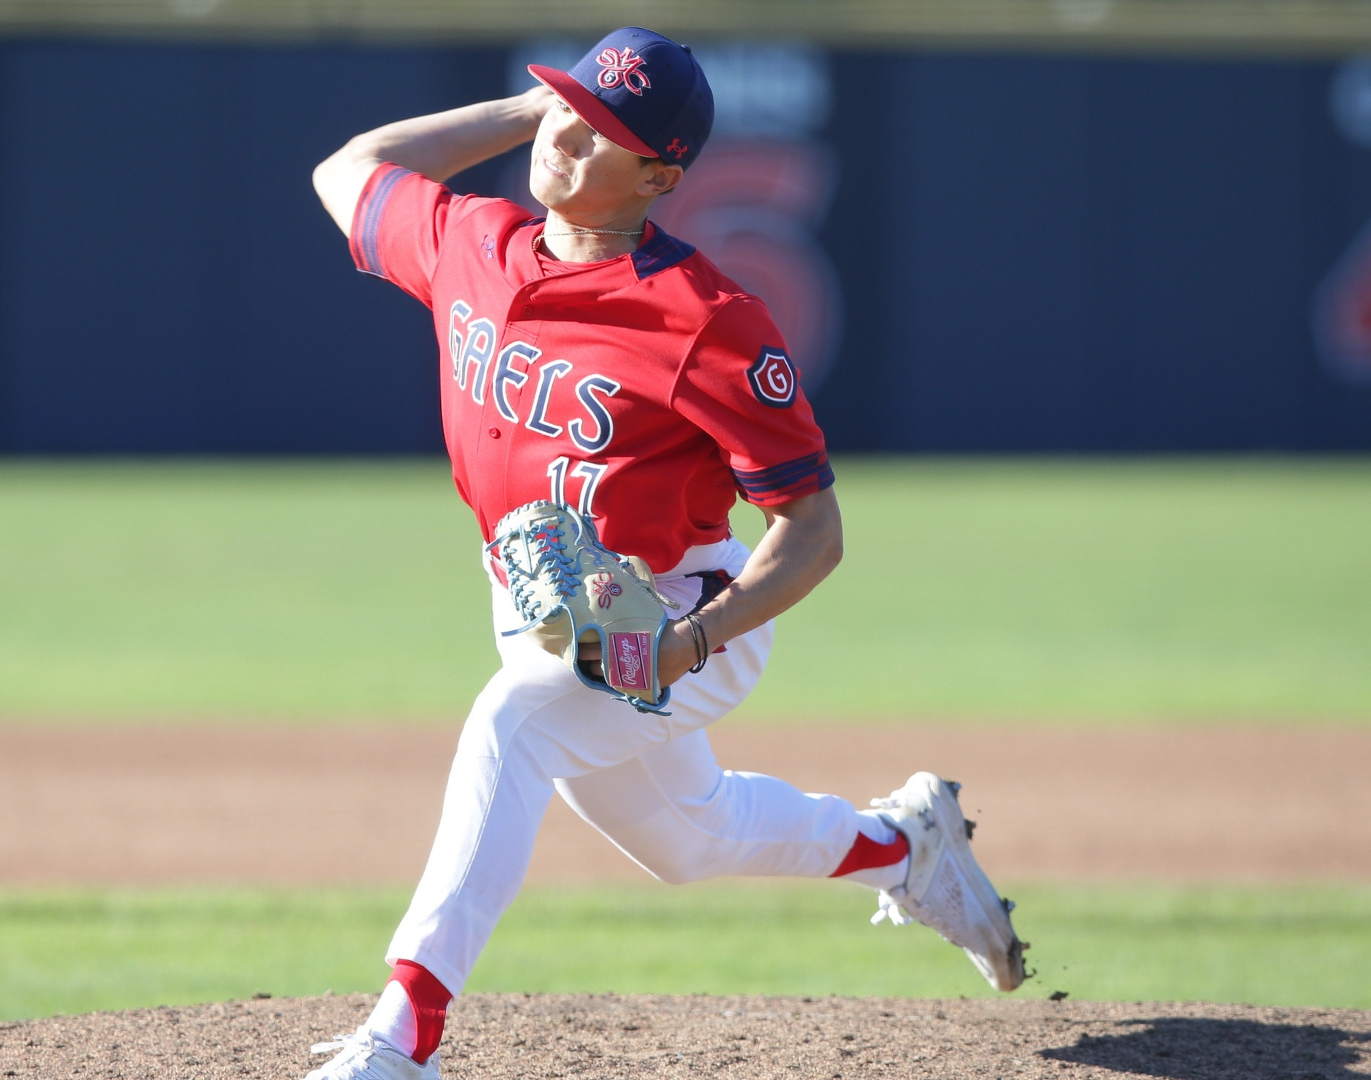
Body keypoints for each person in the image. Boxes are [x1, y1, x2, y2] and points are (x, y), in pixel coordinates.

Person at [307, 27, 1026, 1080]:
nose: (566, 136)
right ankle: (907, 846)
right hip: (543, 605)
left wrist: (691, 641)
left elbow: (813, 530)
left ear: (659, 176)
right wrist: (534, 107)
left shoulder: (705, 321)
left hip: (679, 610)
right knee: (688, 840)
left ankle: (403, 1035)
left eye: (601, 130)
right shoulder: (470, 240)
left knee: (512, 728)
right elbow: (348, 169)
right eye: (567, 109)